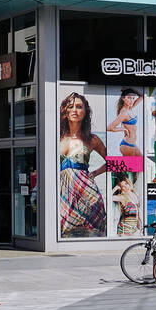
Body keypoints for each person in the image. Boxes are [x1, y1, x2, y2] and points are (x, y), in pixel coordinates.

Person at [59, 92, 108, 238]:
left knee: (92, 233)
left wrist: (93, 174)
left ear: (85, 112)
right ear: (65, 111)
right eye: (70, 106)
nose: (74, 110)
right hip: (64, 195)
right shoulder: (56, 136)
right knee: (63, 232)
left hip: (88, 196)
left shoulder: (92, 139)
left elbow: (113, 162)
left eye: (79, 107)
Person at [106, 89, 144, 172]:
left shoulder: (130, 108)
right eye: (129, 98)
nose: (131, 100)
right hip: (127, 145)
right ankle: (110, 168)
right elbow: (109, 128)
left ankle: (112, 168)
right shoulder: (124, 113)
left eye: (133, 98)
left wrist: (131, 89)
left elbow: (141, 96)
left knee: (140, 165)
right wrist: (123, 129)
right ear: (123, 98)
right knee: (131, 171)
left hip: (132, 144)